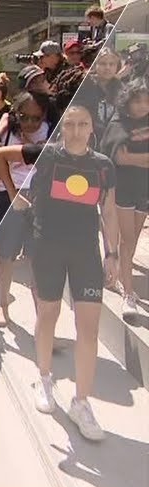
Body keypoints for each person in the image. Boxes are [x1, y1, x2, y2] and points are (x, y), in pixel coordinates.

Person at [0, 104, 117, 441]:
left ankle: (81, 402)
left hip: (86, 252)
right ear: (62, 129)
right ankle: (43, 379)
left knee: (87, 330)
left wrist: (113, 254)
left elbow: (110, 211)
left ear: (92, 129)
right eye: (70, 124)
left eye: (83, 124)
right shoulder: (46, 154)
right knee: (48, 315)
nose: (76, 130)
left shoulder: (103, 166)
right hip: (48, 247)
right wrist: (15, 196)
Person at [0, 93, 49, 326]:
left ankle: (43, 319)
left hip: (39, 199)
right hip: (7, 198)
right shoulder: (7, 134)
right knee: (6, 255)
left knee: (37, 258)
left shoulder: (50, 132)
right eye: (24, 117)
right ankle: (2, 306)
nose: (29, 123)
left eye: (35, 118)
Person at [103, 80, 148, 317]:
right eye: (137, 100)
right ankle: (128, 293)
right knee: (127, 240)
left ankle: (123, 278)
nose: (143, 106)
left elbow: (130, 156)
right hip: (124, 188)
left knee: (134, 237)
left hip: (144, 189)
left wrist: (135, 157)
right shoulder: (119, 122)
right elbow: (119, 157)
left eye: (146, 100)